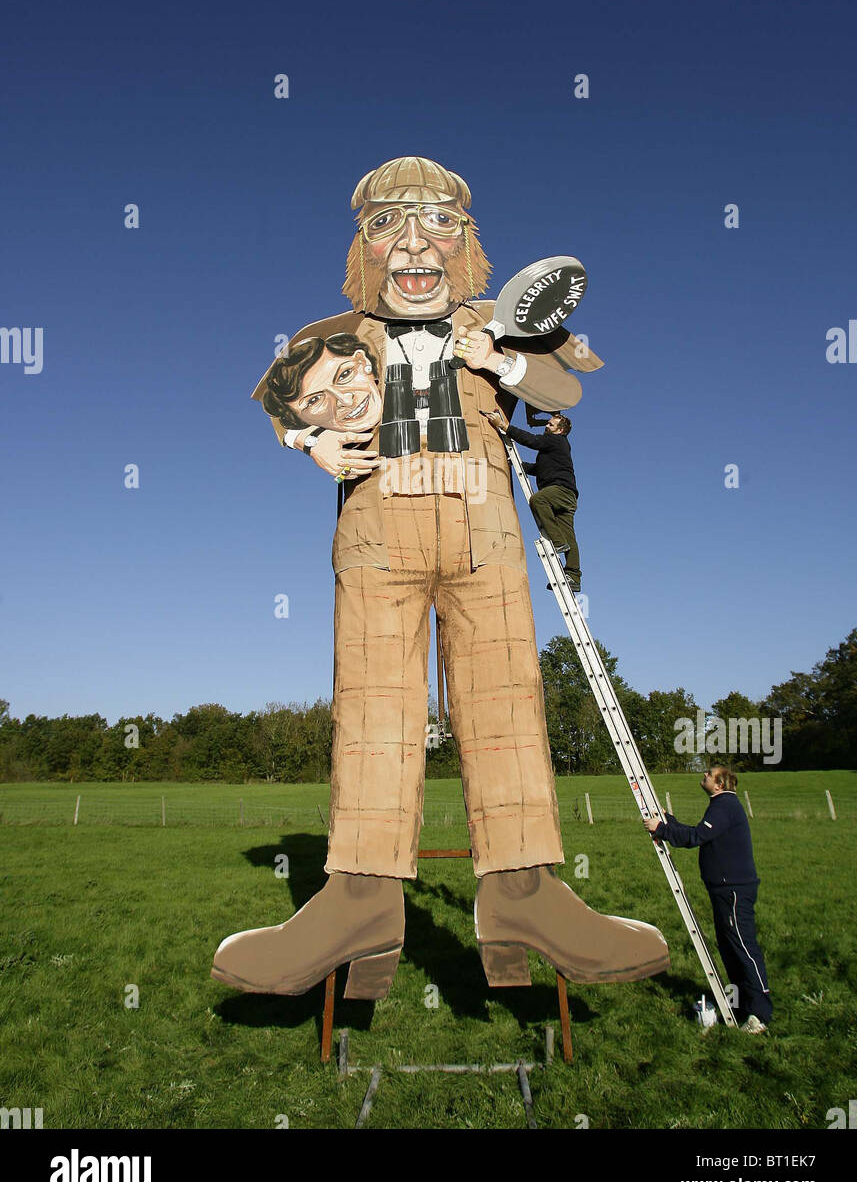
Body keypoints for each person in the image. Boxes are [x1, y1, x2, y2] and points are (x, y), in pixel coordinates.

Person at [211, 155, 669, 1000]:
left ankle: (524, 894)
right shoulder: (333, 332)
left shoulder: (502, 319)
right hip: (375, 529)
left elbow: (567, 383)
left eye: (437, 222)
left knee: (505, 700)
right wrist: (305, 441)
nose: (414, 242)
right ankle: (359, 900)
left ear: (467, 242)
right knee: (373, 706)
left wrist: (501, 360)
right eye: (388, 224)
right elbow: (275, 400)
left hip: (485, 524)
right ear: (363, 248)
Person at [643, 765, 772, 1033]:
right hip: (724, 888)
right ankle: (738, 1005)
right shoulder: (721, 805)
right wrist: (670, 823)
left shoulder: (725, 806)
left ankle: (760, 1013)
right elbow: (701, 833)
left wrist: (663, 829)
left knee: (743, 949)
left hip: (734, 890)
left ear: (719, 784)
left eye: (709, 775)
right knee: (729, 948)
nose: (704, 775)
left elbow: (697, 837)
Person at [483, 405, 581, 591]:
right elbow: (539, 469)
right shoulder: (554, 448)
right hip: (564, 494)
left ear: (560, 430)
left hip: (561, 492)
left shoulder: (555, 441)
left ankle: (558, 542)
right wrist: (520, 465)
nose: (547, 426)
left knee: (538, 500)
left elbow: (531, 440)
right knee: (570, 537)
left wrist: (504, 426)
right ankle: (574, 577)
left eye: (551, 425)